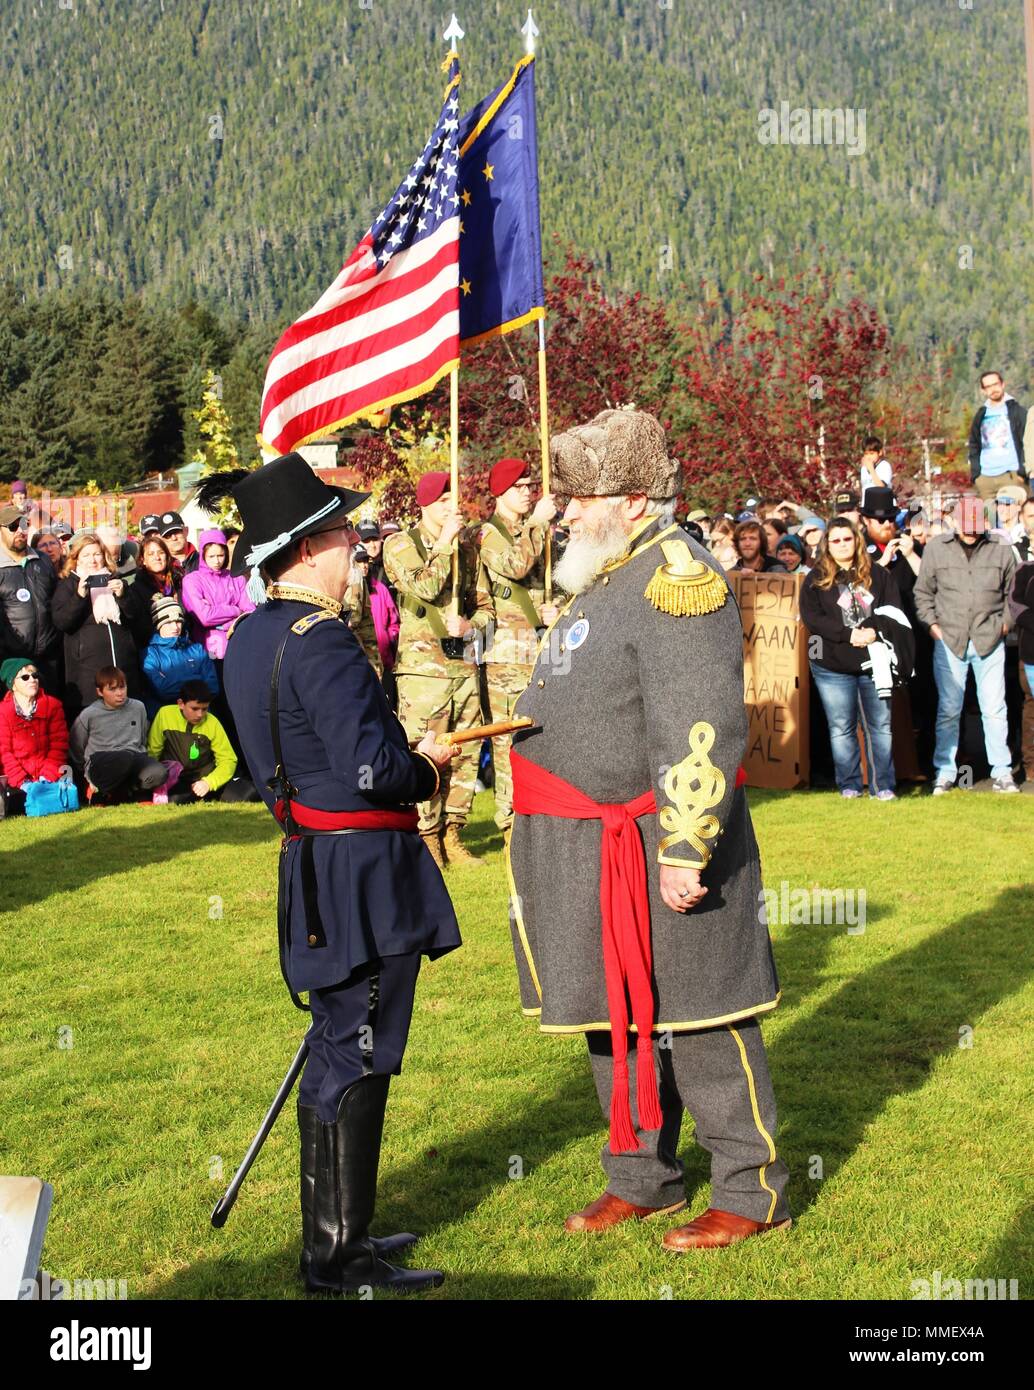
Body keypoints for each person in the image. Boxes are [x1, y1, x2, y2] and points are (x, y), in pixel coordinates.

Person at [508, 407, 791, 1252]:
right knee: (613, 1013)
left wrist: (684, 844)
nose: (559, 511)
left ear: (634, 501)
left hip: (656, 845)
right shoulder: (609, 574)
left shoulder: (678, 576)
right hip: (590, 850)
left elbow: (698, 725)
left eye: (576, 496)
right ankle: (642, 1178)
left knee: (704, 1011)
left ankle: (751, 1188)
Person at [211, 451, 461, 1294]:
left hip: (316, 864)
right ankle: (337, 1256)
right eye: (346, 532)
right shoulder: (323, 642)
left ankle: (341, 1236)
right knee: (360, 1052)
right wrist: (425, 765)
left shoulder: (251, 636)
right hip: (360, 873)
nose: (357, 545)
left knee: (339, 1049)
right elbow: (370, 770)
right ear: (308, 546)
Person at [382, 471, 493, 869]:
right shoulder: (400, 544)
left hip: (462, 667)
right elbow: (424, 588)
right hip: (422, 673)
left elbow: (487, 609)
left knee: (463, 752)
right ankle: (426, 835)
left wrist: (471, 626)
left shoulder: (467, 551)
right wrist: (444, 543)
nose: (454, 508)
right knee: (426, 751)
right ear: (426, 505)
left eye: (455, 501)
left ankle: (453, 832)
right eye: (445, 501)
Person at [914, 495, 1018, 793]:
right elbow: (923, 593)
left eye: (977, 525)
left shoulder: (1001, 549)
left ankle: (1002, 771)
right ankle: (945, 772)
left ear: (985, 522)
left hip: (990, 638)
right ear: (954, 522)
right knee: (948, 708)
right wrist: (933, 628)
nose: (971, 531)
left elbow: (1014, 593)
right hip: (949, 639)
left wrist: (1005, 624)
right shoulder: (936, 549)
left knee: (995, 708)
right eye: (966, 525)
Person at [800, 520, 909, 799]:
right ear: (827, 544)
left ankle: (882, 786)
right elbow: (813, 619)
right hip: (832, 664)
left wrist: (875, 630)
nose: (841, 544)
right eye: (835, 540)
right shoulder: (815, 579)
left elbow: (893, 610)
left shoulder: (879, 574)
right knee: (841, 727)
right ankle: (849, 785)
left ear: (856, 540)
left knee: (880, 726)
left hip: (875, 661)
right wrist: (848, 635)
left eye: (846, 538)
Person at [475, 457, 556, 832]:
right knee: (509, 742)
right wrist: (540, 521)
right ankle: (509, 822)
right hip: (507, 655)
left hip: (541, 650)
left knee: (540, 736)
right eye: (519, 488)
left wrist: (553, 606)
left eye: (530, 486)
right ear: (500, 493)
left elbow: (546, 579)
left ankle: (537, 813)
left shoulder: (534, 530)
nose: (528, 493)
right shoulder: (491, 534)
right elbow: (516, 565)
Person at [51, 532, 150, 719]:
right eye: (86, 555)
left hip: (122, 666)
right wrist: (79, 596)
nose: (93, 560)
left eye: (97, 554)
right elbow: (62, 622)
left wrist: (123, 595)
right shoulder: (68, 585)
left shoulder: (115, 579)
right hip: (87, 673)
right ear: (76, 559)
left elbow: (135, 618)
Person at [69, 666, 168, 804]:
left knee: (159, 772)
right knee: (123, 759)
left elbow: (142, 737)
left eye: (122, 687)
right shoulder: (89, 714)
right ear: (100, 691)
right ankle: (99, 791)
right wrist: (85, 771)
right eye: (112, 689)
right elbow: (76, 745)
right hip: (102, 761)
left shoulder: (138, 707)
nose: (119, 693)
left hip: (133, 757)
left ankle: (129, 792)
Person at [147, 679, 256, 803]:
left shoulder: (212, 722)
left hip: (205, 779)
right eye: (195, 708)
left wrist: (209, 782)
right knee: (175, 800)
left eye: (204, 709)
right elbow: (153, 751)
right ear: (181, 704)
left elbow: (228, 760)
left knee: (248, 793)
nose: (200, 714)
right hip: (177, 780)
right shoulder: (165, 714)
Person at [0, 504, 61, 695]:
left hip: (49, 660)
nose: (20, 531)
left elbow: (57, 603)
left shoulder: (42, 560)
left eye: (24, 525)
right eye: (12, 526)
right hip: (13, 662)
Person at [0, 658, 70, 816]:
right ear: (13, 685)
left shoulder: (53, 706)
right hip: (15, 782)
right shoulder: (3, 712)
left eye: (35, 675)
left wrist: (46, 777)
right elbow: (4, 753)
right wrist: (23, 782)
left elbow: (59, 746)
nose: (32, 680)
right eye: (25, 677)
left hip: (48, 778)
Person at [181, 528, 255, 667]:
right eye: (211, 556)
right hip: (209, 649)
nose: (217, 561)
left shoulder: (236, 577)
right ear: (203, 555)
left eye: (220, 555)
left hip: (238, 644)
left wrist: (224, 622)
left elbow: (250, 611)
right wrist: (235, 611)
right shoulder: (192, 580)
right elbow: (205, 617)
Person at [141, 596, 219, 718]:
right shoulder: (150, 654)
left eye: (178, 621)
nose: (175, 627)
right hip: (171, 720)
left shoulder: (197, 649)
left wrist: (176, 683)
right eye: (168, 622)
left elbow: (213, 687)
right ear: (158, 624)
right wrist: (197, 681)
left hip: (202, 716)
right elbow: (163, 691)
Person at [968, 371, 1027, 502]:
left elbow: (1027, 441)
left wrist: (1022, 473)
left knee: (1013, 518)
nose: (993, 389)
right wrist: (976, 475)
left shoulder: (1016, 411)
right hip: (985, 479)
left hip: (1011, 475)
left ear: (1003, 384)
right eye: (988, 386)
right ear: (983, 390)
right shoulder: (981, 414)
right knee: (991, 519)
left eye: (995, 384)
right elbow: (973, 444)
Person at [1008, 558, 1034, 790]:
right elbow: (1015, 606)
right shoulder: (1025, 570)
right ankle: (1031, 765)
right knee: (1032, 708)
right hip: (1031, 654)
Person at [135, 534, 182, 603]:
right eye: (151, 554)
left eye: (161, 553)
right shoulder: (137, 589)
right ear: (143, 560)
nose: (157, 557)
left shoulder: (180, 580)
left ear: (167, 556)